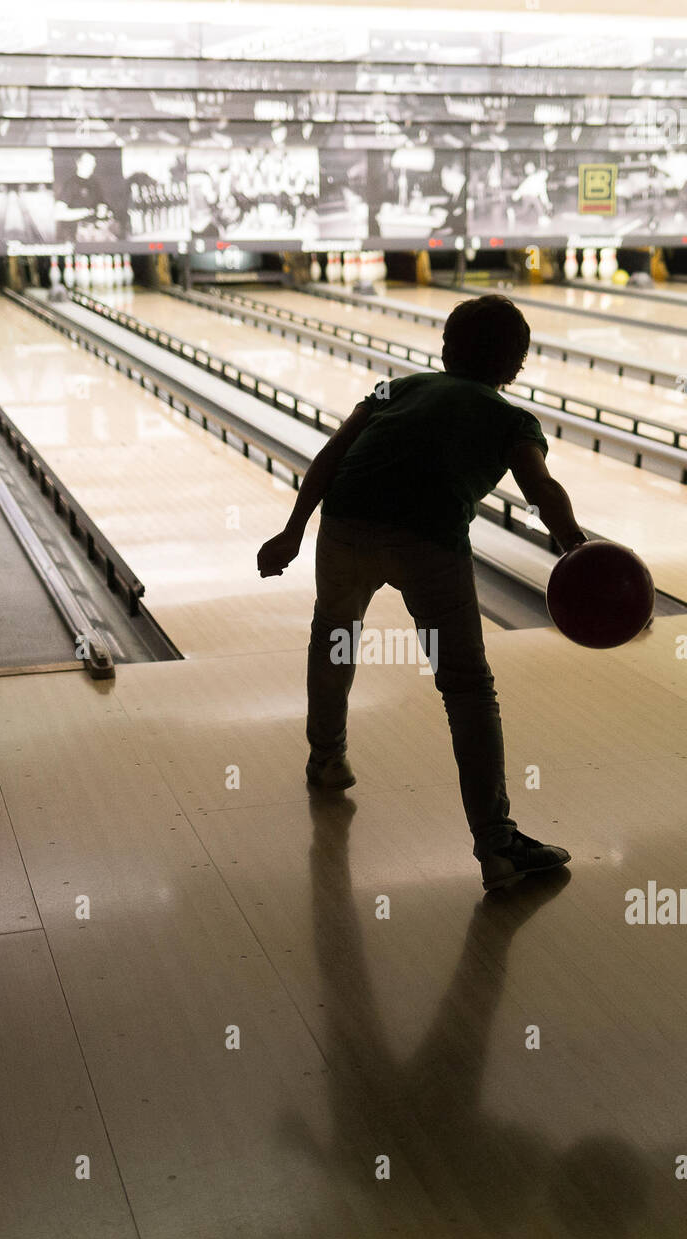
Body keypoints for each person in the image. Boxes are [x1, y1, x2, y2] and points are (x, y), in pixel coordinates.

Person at [257, 294, 587, 890]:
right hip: (429, 541)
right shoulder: (513, 420)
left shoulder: (395, 389)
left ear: (443, 348)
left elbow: (331, 456)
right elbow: (542, 489)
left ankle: (327, 760)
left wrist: (292, 530)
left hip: (346, 524)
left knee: (334, 638)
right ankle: (496, 843)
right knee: (466, 687)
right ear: (517, 365)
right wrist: (578, 552)